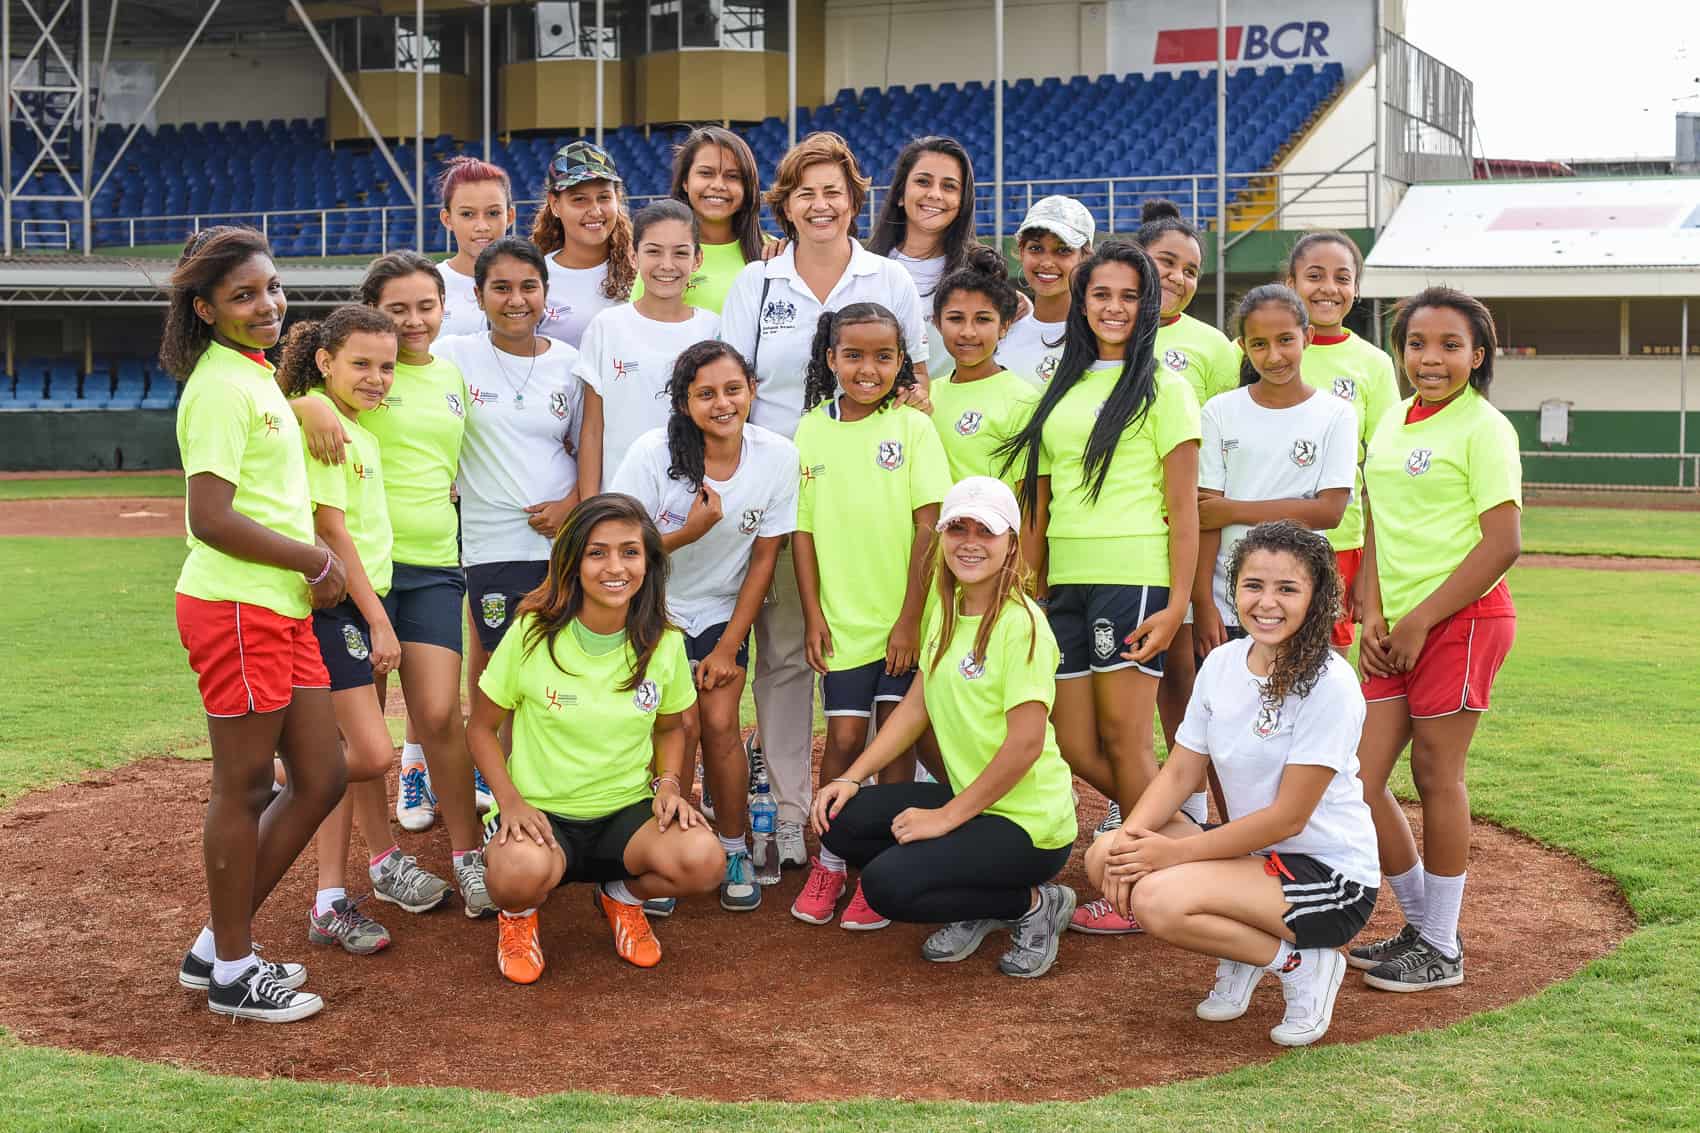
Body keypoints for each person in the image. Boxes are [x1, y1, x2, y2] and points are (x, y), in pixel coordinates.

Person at [719, 131, 932, 872]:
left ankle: (860, 817)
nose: (820, 204)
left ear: (855, 198)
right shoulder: (757, 282)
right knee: (783, 661)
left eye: (833, 191)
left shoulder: (890, 279)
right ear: (785, 202)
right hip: (781, 502)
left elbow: (916, 390)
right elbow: (732, 393)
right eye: (805, 191)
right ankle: (786, 820)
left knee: (869, 665)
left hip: (866, 505)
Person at [1089, 520, 1378, 1047]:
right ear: (1233, 590)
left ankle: (1302, 964)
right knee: (1104, 854)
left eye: (1287, 588)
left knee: (1157, 900)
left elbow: (1289, 818)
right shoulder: (1222, 663)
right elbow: (1180, 771)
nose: (1267, 603)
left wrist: (1170, 855)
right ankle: (1247, 953)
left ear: (1316, 599)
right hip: (1258, 856)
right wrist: (1131, 840)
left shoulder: (1330, 683)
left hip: (1329, 876)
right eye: (1253, 586)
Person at [164, 226, 345, 1022]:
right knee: (241, 785)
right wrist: (312, 560)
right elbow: (210, 517)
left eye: (271, 286)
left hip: (276, 606)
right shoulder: (217, 388)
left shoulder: (255, 375)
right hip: (236, 605)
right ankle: (234, 969)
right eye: (243, 295)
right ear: (205, 309)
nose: (266, 303)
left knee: (324, 774)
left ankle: (216, 944)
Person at [998, 240, 1201, 936]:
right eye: (1101, 294)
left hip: (1132, 576)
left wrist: (1177, 604)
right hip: (1066, 583)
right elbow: (1040, 502)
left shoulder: (1165, 388)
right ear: (1082, 304)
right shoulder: (1064, 382)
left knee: (1125, 738)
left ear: (1147, 305)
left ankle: (1148, 881)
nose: (1114, 307)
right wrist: (1027, 586)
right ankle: (1188, 847)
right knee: (1075, 738)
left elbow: (1185, 508)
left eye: (1127, 295)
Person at [810, 477, 1078, 975]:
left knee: (888, 886)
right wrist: (850, 776)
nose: (970, 542)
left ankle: (1032, 905)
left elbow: (1025, 745)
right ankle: (976, 897)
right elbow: (916, 708)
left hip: (1028, 825)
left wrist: (946, 817)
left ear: (1011, 545)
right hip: (975, 805)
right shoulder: (947, 611)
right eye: (958, 528)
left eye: (986, 531)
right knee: (842, 823)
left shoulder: (1022, 625)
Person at [470, 494, 725, 984]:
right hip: (543, 816)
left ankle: (622, 897)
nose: (616, 567)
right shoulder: (531, 633)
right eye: (597, 552)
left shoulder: (664, 641)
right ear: (573, 563)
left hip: (626, 814)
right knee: (514, 877)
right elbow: (479, 728)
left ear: (649, 561)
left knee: (704, 861)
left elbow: (672, 727)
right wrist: (511, 805)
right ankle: (519, 917)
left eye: (630, 552)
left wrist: (669, 787)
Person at [1351, 287, 1522, 992]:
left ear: (1477, 355)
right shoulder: (1391, 420)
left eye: (1450, 345)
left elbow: (1503, 542)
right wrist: (1370, 611)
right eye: (1418, 343)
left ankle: (1443, 947)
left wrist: (1422, 616)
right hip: (1394, 623)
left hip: (1465, 618)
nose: (1431, 358)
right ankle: (1425, 925)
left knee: (1434, 774)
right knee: (1356, 777)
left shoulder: (1485, 428)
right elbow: (1373, 519)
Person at [280, 306, 452, 953]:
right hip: (340, 611)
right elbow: (331, 529)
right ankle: (268, 772)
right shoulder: (328, 431)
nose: (377, 377)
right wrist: (379, 619)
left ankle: (331, 897)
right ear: (325, 362)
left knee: (354, 759)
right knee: (370, 754)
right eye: (361, 363)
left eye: (385, 366)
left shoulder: (361, 431)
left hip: (359, 605)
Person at [611, 340, 798, 913]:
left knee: (719, 723)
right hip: (650, 608)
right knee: (671, 723)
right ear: (684, 402)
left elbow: (763, 560)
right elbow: (618, 550)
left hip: (721, 610)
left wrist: (728, 646)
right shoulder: (651, 453)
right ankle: (658, 850)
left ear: (752, 391)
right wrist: (688, 533)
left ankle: (735, 845)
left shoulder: (777, 457)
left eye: (733, 390)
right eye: (706, 394)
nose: (722, 403)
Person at [332, 251, 490, 913]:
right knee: (361, 727)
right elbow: (304, 402)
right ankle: (383, 859)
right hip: (362, 571)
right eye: (399, 308)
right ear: (375, 313)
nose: (416, 319)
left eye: (427, 305)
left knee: (434, 714)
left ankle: (468, 855)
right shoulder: (356, 379)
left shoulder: (452, 375)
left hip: (433, 566)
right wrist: (309, 407)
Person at [789, 303, 950, 929]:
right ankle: (833, 857)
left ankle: (875, 864)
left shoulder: (913, 429)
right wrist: (812, 615)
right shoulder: (810, 431)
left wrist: (909, 621)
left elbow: (928, 526)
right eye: (853, 355)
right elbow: (801, 533)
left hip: (903, 622)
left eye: (884, 356)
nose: (867, 368)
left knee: (892, 747)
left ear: (901, 362)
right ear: (831, 359)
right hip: (843, 622)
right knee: (845, 741)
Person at [434, 237, 583, 680]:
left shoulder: (571, 364)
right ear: (478, 296)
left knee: (563, 674)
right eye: (500, 288)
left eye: (529, 287)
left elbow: (591, 449)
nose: (516, 300)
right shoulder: (452, 357)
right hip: (492, 546)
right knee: (507, 678)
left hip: (564, 545)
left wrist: (572, 503)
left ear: (545, 292)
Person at [1133, 199, 1240, 806]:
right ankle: (1134, 798)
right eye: (1165, 262)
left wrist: (1201, 586)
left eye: (1191, 270)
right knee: (1121, 681)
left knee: (1184, 676)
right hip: (1116, 532)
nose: (1176, 278)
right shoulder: (1100, 329)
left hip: (1184, 528)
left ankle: (1197, 811)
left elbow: (1220, 455)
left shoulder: (1213, 347)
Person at [1195, 285, 1356, 654]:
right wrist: (1203, 603)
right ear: (1244, 347)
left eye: (1286, 340)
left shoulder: (1336, 414)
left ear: (1308, 337)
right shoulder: (1219, 412)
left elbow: (1328, 512)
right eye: (1259, 344)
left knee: (1300, 708)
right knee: (1231, 709)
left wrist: (1234, 510)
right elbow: (1207, 518)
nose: (1274, 356)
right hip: (1229, 602)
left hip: (1303, 597)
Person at [1283, 231, 1400, 651]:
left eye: (1342, 277)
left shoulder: (1375, 364)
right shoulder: (1259, 350)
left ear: (1355, 288)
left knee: (1328, 664)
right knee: (1263, 657)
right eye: (1315, 276)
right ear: (1291, 284)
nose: (1329, 288)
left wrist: (1370, 571)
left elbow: (1386, 476)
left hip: (1340, 541)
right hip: (1265, 536)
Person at [575, 199, 721, 496]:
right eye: (653, 251)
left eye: (680, 253)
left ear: (697, 260)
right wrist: (590, 508)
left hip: (692, 501)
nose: (667, 265)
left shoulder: (714, 330)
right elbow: (591, 430)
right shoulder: (607, 326)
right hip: (621, 501)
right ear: (633, 255)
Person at [868, 135, 981, 382]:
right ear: (900, 194)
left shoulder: (979, 274)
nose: (935, 194)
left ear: (962, 202)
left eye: (949, 186)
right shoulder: (865, 269)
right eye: (923, 182)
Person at [929, 246, 1040, 489]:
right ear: (937, 323)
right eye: (956, 319)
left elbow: (1032, 500)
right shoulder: (926, 397)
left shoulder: (1023, 400)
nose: (968, 332)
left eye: (983, 319)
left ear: (1004, 326)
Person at [643, 125, 768, 314]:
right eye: (706, 173)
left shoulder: (773, 253)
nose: (718, 185)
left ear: (747, 188)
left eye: (732, 176)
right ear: (685, 182)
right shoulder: (659, 253)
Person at [531, 140, 634, 348]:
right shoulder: (535, 277)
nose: (595, 211)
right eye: (579, 199)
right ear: (555, 204)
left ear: (617, 198)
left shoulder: (641, 269)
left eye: (604, 198)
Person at [997, 196, 1093, 387]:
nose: (1047, 262)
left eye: (1063, 250)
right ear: (1021, 252)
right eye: (1036, 248)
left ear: (1084, 258)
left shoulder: (1099, 336)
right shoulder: (999, 332)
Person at [435, 156, 516, 338]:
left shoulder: (534, 282)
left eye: (493, 213)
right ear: (447, 219)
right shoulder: (430, 284)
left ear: (510, 216)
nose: (482, 226)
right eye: (467, 214)